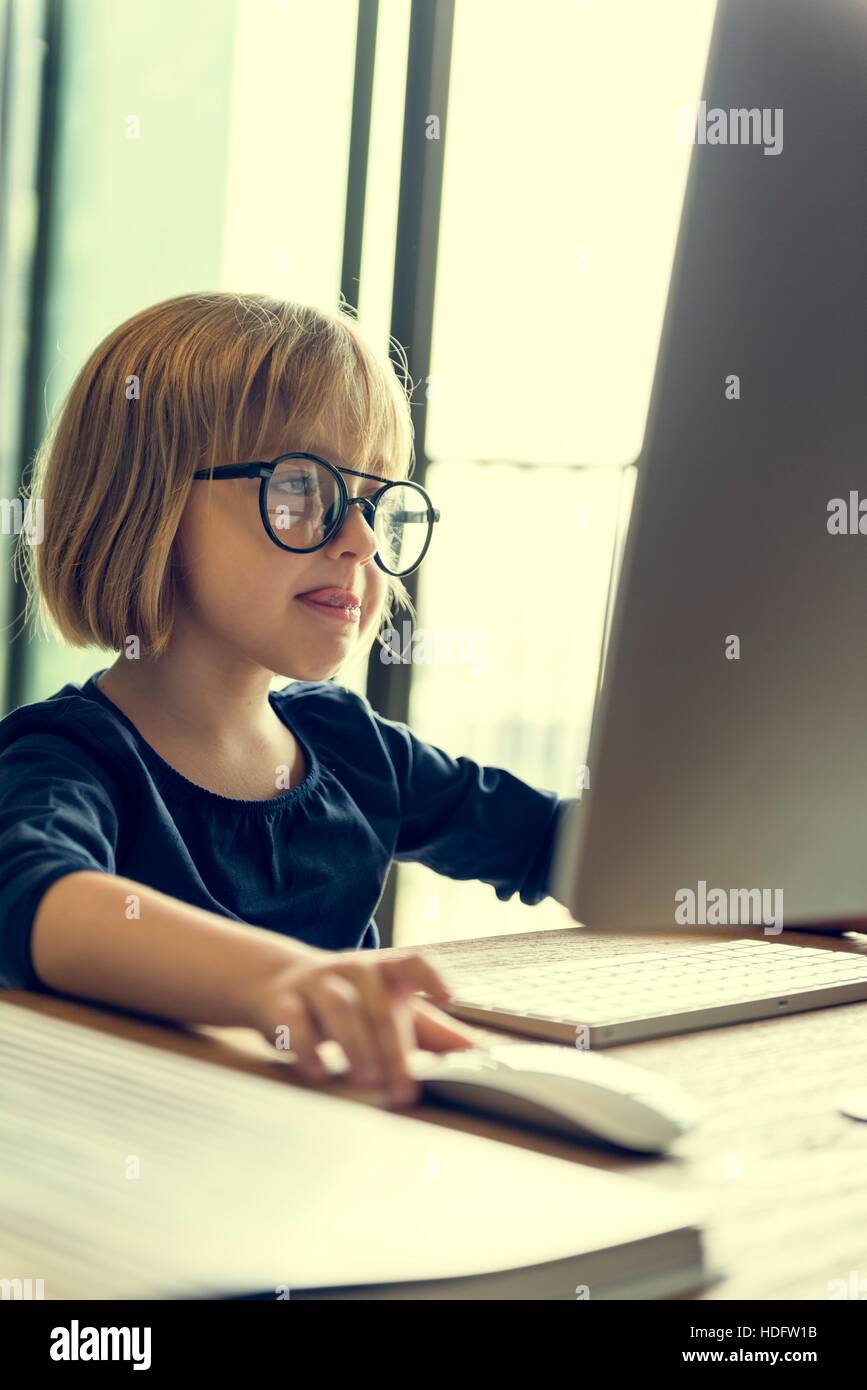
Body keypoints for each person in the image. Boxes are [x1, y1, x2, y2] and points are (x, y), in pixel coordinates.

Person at [0, 292, 573, 1105]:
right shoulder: (67, 758)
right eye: (302, 489)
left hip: (323, 1156)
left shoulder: (351, 746)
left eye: (375, 502)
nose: (363, 540)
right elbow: (35, 901)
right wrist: (285, 981)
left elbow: (558, 842)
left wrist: (771, 875)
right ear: (146, 503)